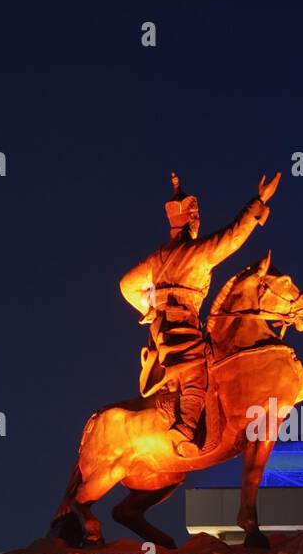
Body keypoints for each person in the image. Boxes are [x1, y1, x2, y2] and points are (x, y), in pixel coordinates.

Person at [119, 171, 281, 457]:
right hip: (183, 327)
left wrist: (150, 308)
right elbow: (232, 237)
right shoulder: (196, 252)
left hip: (160, 331)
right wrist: (259, 201)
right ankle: (185, 430)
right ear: (191, 220)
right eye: (196, 217)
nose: (198, 222)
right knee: (197, 374)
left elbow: (127, 285)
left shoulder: (156, 259)